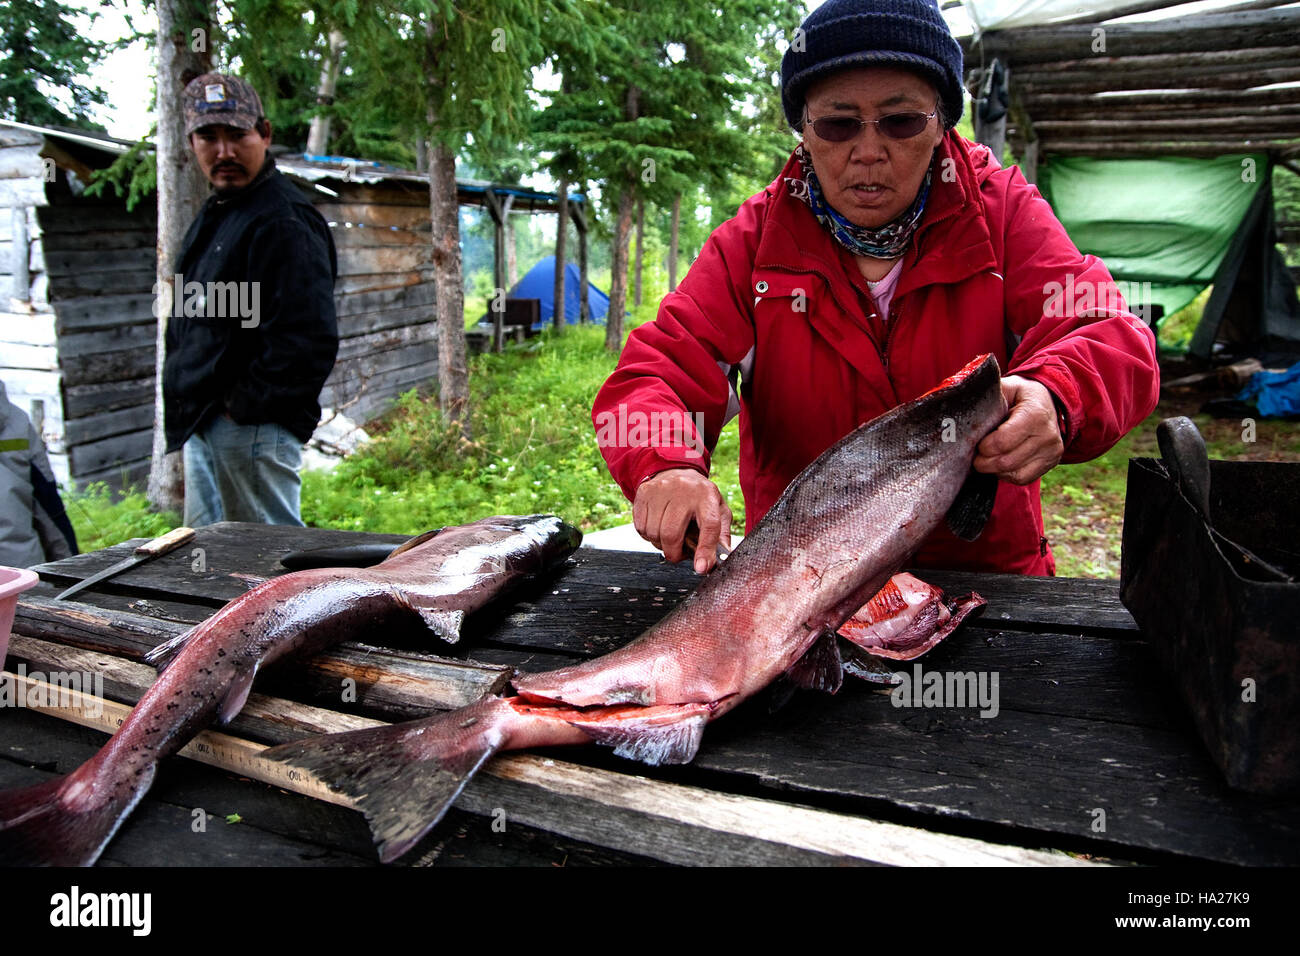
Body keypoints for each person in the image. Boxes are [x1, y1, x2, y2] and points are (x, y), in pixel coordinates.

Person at [592, 0, 1159, 575]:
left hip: (986, 586)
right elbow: (659, 370)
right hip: (802, 588)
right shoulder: (754, 243)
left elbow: (1107, 328)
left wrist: (1057, 398)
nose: (868, 151)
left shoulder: (1002, 213)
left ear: (940, 124)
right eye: (838, 124)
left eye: (901, 121)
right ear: (805, 134)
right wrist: (666, 465)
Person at [164, 72, 339, 527]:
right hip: (207, 423)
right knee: (211, 558)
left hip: (250, 429)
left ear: (264, 134)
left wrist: (241, 409)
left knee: (267, 563)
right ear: (191, 142)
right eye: (208, 137)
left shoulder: (283, 219)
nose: (223, 152)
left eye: (237, 135)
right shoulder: (221, 211)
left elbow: (308, 338)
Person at [1, 380, 77, 567]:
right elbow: (48, 503)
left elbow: (46, 499)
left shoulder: (17, 421)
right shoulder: (16, 419)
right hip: (22, 571)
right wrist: (70, 563)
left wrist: (71, 565)